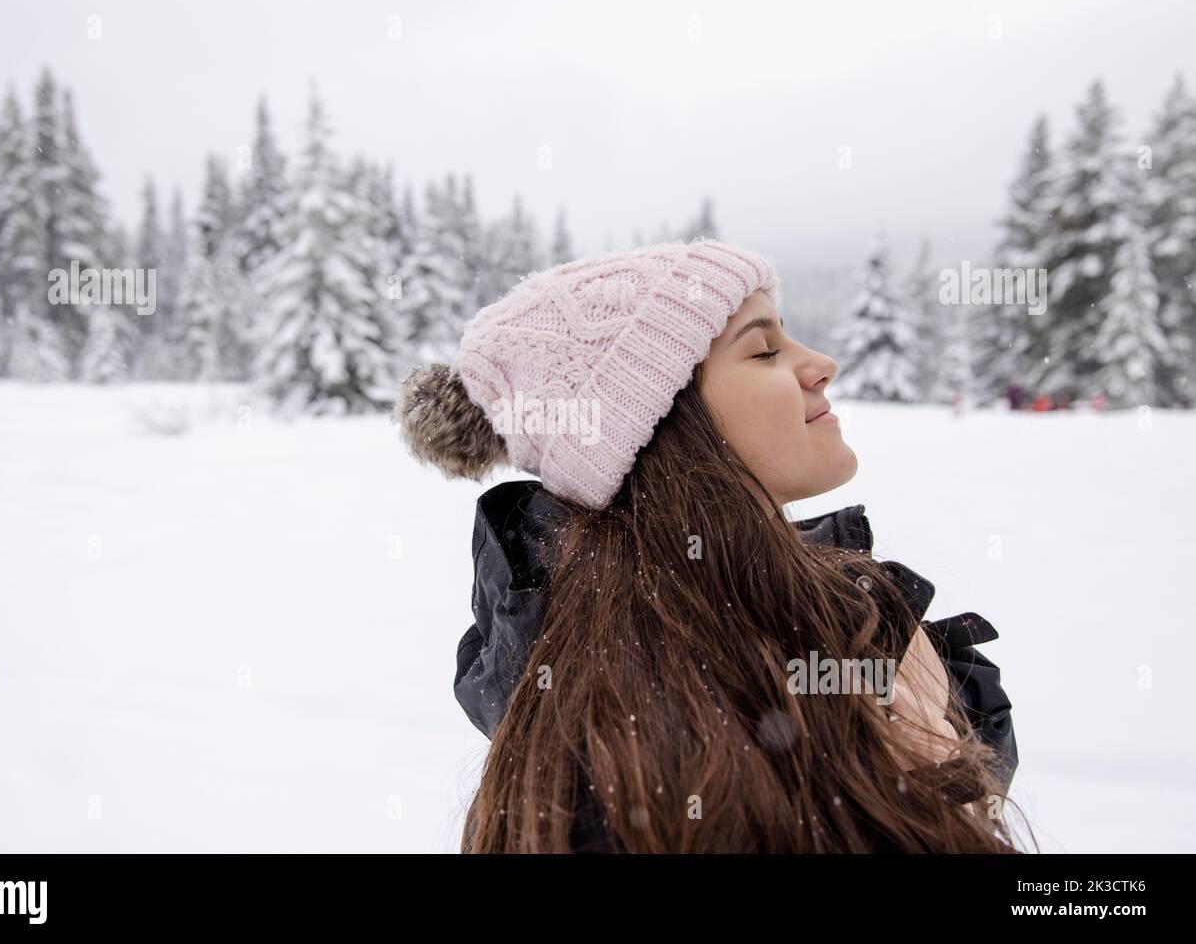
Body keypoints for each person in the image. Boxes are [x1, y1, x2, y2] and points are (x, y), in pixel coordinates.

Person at [394, 238, 1029, 853]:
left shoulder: (853, 614)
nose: (819, 365)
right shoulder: (622, 740)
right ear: (658, 429)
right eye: (762, 351)